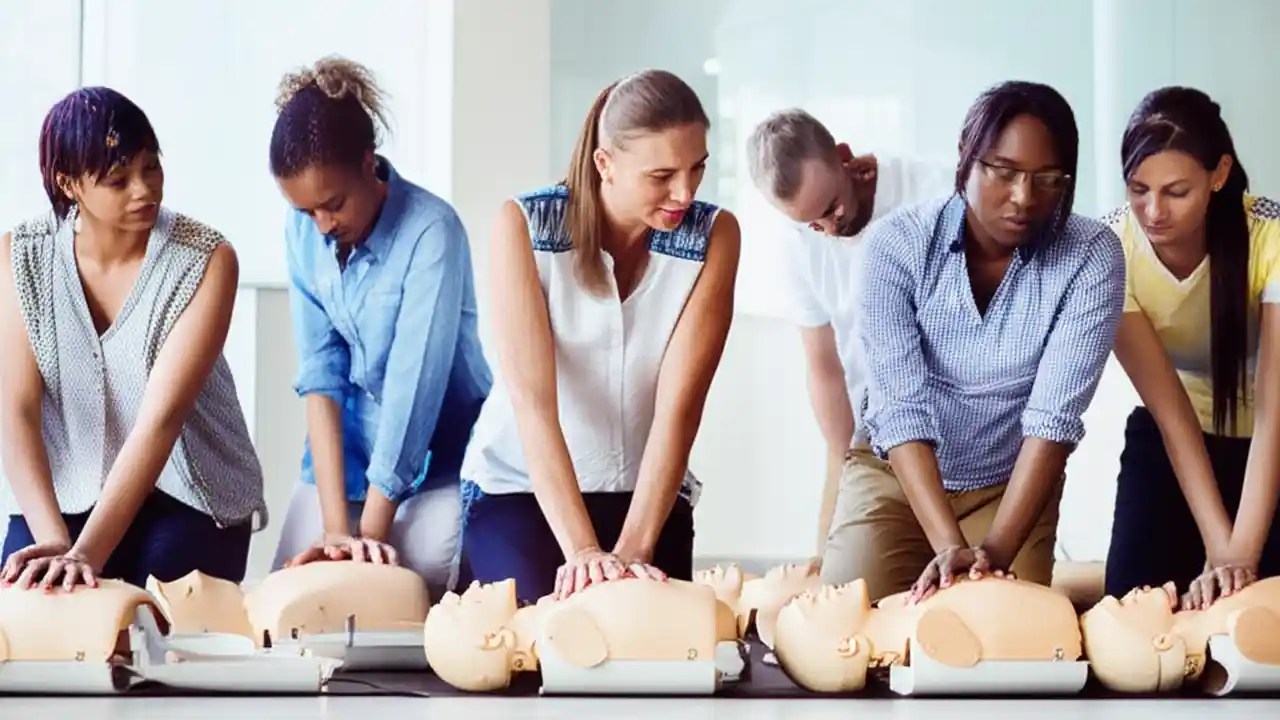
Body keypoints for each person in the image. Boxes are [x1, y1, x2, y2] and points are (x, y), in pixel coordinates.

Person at [835, 80, 1126, 603]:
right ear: (966, 157)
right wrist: (949, 549)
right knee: (851, 627)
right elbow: (901, 410)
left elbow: (1053, 421)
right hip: (897, 476)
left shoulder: (1091, 255)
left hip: (1008, 485)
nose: (1023, 197)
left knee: (1007, 638)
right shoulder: (895, 245)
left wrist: (993, 552)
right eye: (1004, 171)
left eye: (1048, 179)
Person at [457, 69, 741, 603]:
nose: (685, 192)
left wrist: (635, 550)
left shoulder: (716, 236)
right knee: (557, 633)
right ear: (604, 164)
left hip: (647, 497)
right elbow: (533, 405)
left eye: (696, 168)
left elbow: (678, 409)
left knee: (654, 638)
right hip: (522, 492)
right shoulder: (523, 226)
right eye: (661, 175)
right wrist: (585, 553)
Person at [0, 87, 266, 591]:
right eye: (118, 180)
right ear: (69, 184)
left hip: (190, 494)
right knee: (30, 609)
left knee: (152, 621)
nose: (144, 189)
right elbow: (16, 410)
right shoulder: (21, 258)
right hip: (67, 494)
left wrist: (86, 555)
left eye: (152, 167)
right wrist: (58, 543)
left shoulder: (205, 258)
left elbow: (159, 421)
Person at [267, 57, 491, 596]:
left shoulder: (432, 232)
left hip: (438, 463)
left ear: (369, 163)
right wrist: (336, 531)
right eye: (307, 212)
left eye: (333, 205)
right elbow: (321, 375)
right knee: (287, 595)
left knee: (396, 593)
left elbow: (414, 394)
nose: (322, 225)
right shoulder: (305, 232)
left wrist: (366, 537)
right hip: (347, 456)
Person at [744, 109, 953, 569]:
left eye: (832, 206)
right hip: (877, 444)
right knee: (842, 595)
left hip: (966, 436)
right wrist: (842, 470)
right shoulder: (795, 242)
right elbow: (824, 366)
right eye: (813, 222)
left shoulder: (940, 193)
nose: (831, 227)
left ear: (845, 158)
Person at [1101, 86, 1280, 608]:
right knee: (1134, 610)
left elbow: (1273, 410)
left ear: (1219, 175)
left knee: (1256, 617)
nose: (1153, 212)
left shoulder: (1269, 236)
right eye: (1138, 189)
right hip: (1180, 440)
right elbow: (1170, 413)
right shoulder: (1111, 251)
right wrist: (1219, 544)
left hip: (1272, 445)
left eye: (1176, 191)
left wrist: (1237, 559)